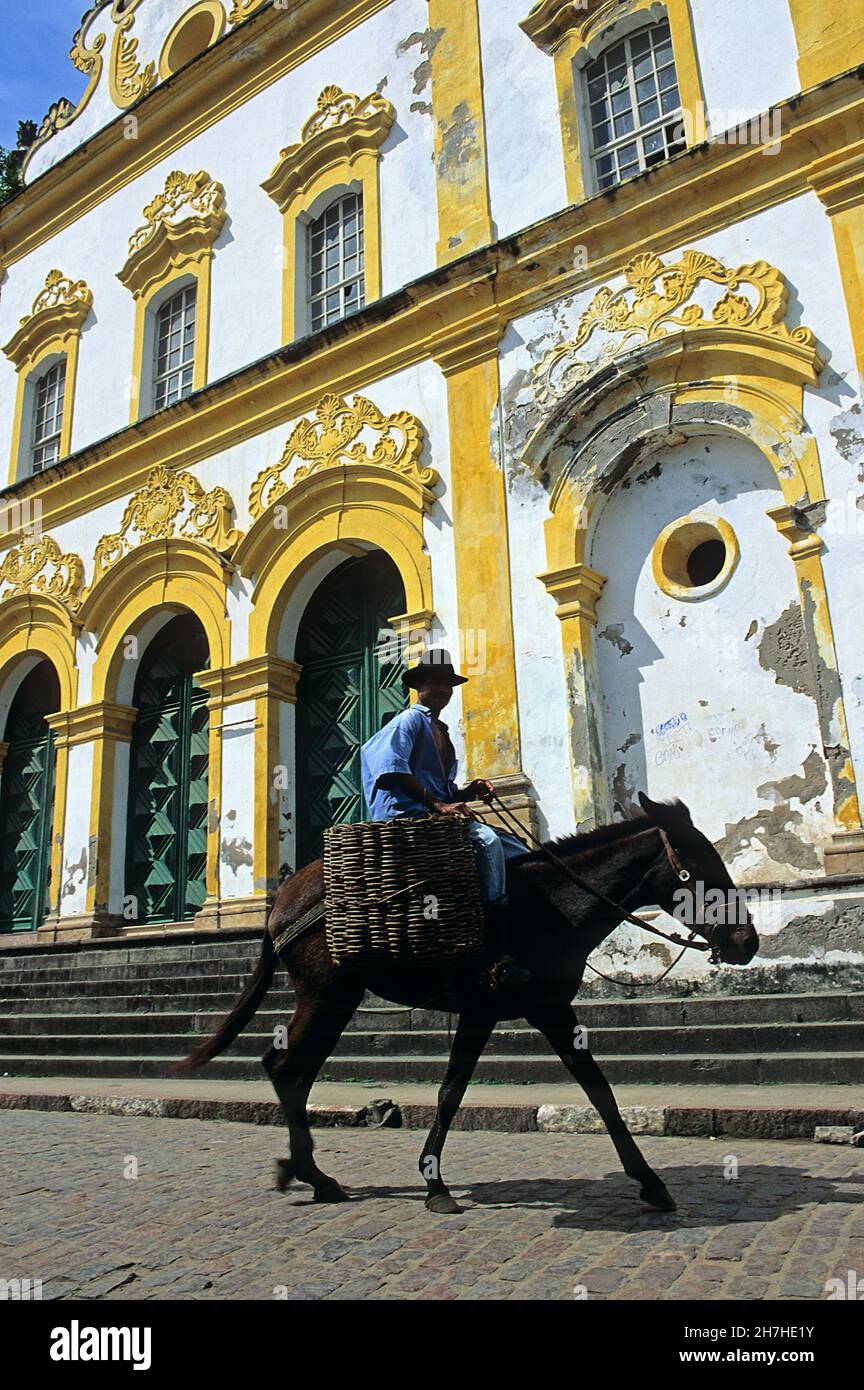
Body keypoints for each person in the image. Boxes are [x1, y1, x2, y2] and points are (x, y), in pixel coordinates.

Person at [360, 648, 531, 991]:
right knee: (487, 841)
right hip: (407, 814)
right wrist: (439, 806)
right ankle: (492, 938)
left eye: (447, 685)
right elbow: (390, 771)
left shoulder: (440, 729)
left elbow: (444, 790)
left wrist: (468, 792)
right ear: (420, 687)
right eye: (434, 683)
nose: (442, 690)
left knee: (518, 849)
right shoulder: (409, 721)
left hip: (431, 809)